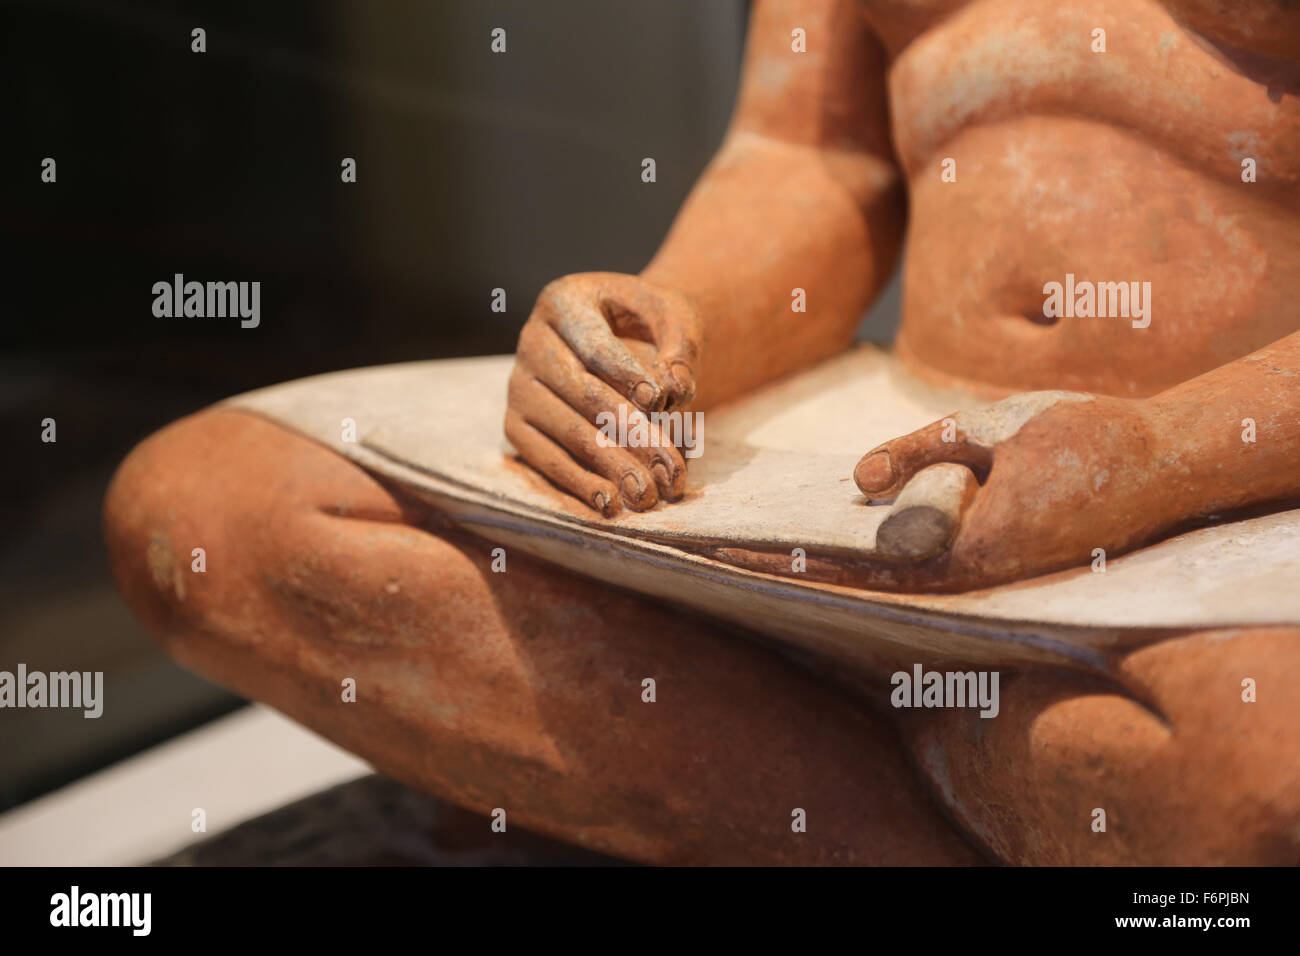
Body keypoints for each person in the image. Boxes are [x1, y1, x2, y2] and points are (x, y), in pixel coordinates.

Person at [106, 0, 1300, 863]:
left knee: (1267, 790)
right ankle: (920, 801)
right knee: (205, 509)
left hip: (1233, 504)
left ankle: (773, 758)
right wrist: (674, 334)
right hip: (863, 453)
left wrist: (1166, 455)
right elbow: (805, 158)